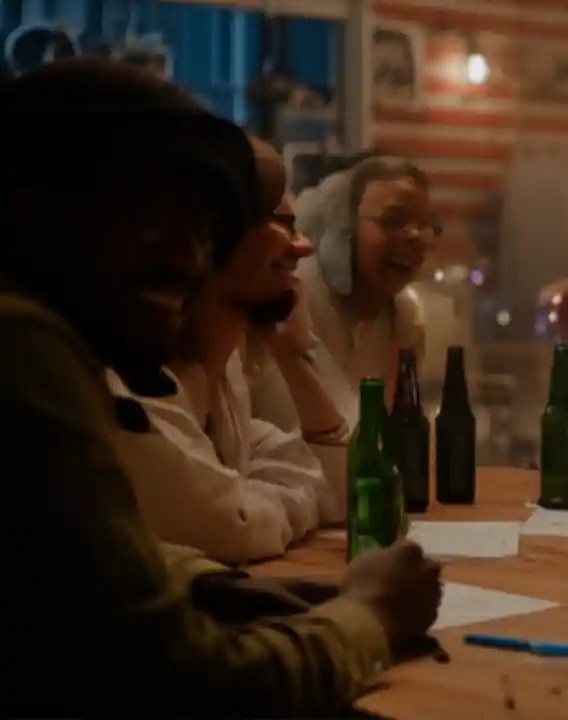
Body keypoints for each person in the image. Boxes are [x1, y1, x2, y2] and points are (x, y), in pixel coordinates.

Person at [0, 60, 441, 716]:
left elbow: (108, 562)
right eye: (150, 212)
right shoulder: (23, 349)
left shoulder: (99, 355)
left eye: (203, 226)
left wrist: (220, 591)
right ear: (33, 209)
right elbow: (196, 684)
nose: (188, 253)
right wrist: (367, 618)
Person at [111, 137, 350, 564]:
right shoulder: (129, 376)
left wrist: (293, 356)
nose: (301, 247)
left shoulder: (227, 370)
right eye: (277, 223)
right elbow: (229, 528)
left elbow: (343, 484)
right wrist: (278, 502)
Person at [253, 156, 445, 430]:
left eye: (425, 225)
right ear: (345, 225)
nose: (414, 236)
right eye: (393, 220)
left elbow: (389, 431)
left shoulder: (406, 318)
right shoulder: (295, 294)